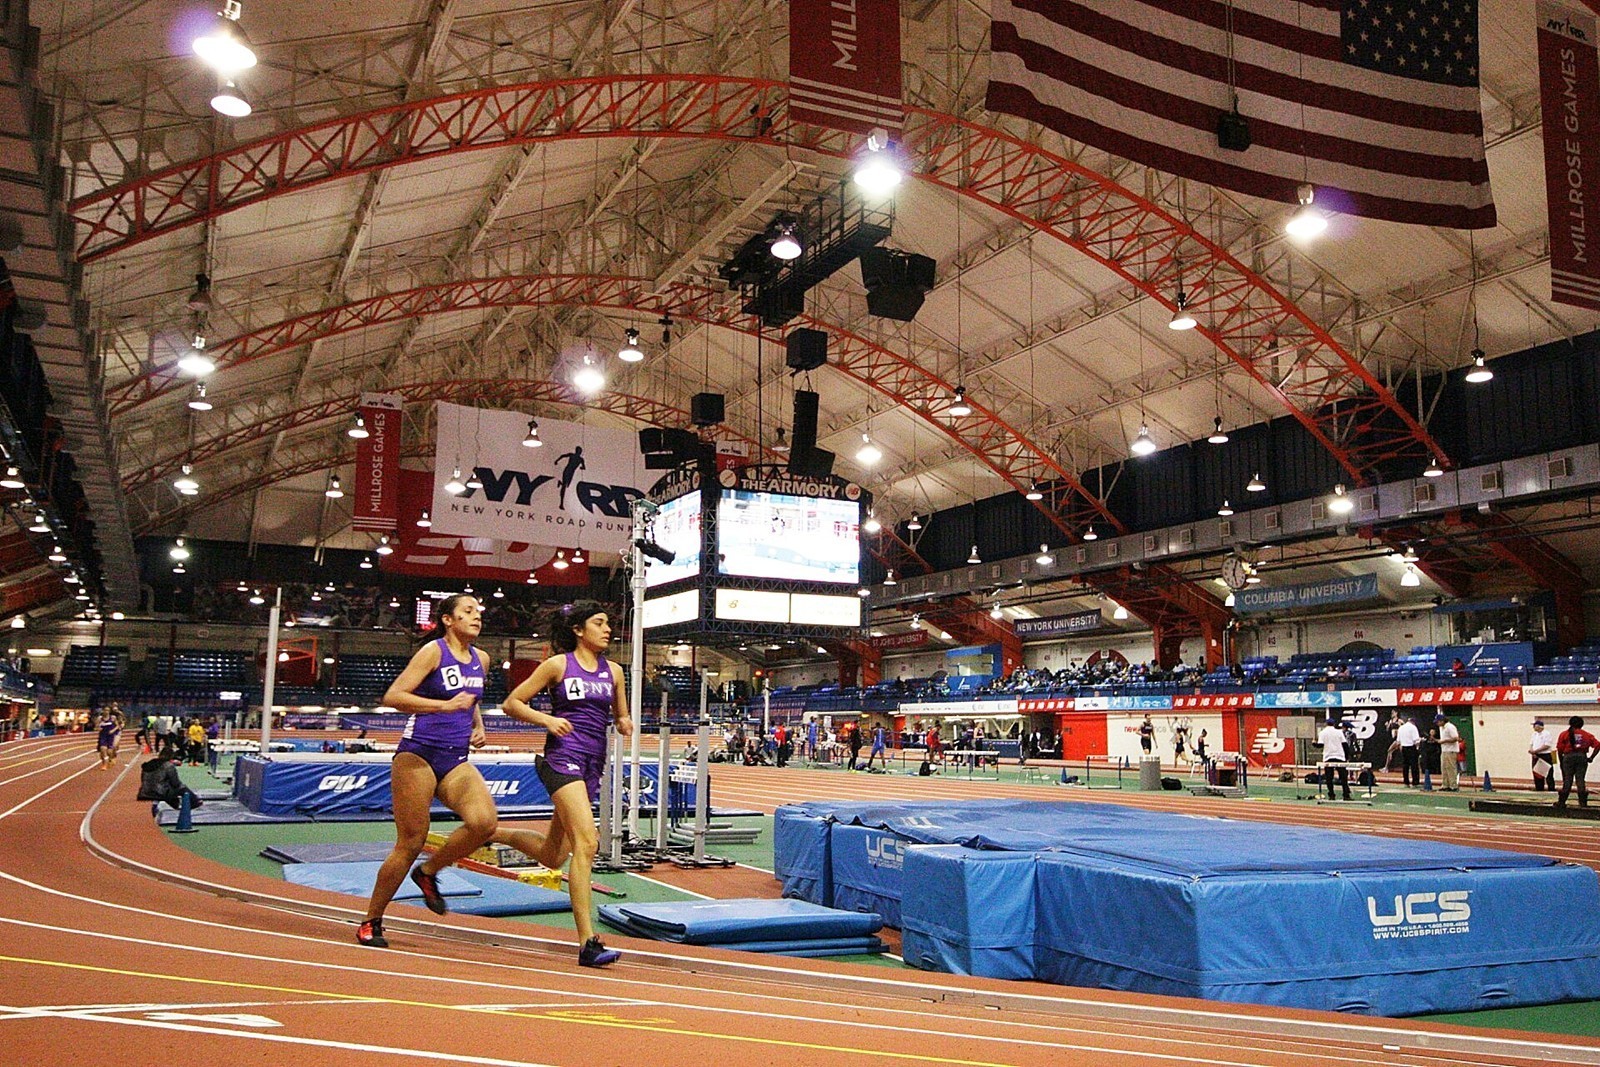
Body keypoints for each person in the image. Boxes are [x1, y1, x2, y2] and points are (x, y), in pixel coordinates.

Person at [492, 600, 632, 967]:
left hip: (592, 763)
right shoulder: (558, 665)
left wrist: (624, 722)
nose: (607, 629)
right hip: (561, 758)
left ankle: (490, 833)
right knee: (588, 842)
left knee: (553, 855)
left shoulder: (615, 672)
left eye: (608, 623)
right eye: (599, 623)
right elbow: (512, 703)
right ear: (578, 630)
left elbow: (621, 713)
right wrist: (547, 721)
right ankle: (588, 943)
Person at [357, 594, 495, 951]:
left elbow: (471, 699)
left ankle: (428, 872)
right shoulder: (433, 652)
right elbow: (394, 696)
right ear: (448, 620)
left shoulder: (481, 658)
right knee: (411, 841)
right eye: (467, 612)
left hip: (455, 757)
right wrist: (443, 706)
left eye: (478, 612)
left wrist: (478, 724)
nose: (476, 617)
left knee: (484, 823)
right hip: (418, 754)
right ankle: (372, 919)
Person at [136, 745, 204, 811]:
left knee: (167, 787)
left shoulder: (149, 763)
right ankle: (195, 802)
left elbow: (143, 779)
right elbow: (175, 783)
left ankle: (176, 804)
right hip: (159, 792)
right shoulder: (168, 765)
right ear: (171, 756)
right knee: (181, 788)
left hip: (145, 791)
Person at [1554, 715, 1600, 810]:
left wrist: (1561, 761)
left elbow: (1559, 749)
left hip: (1568, 757)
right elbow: (1598, 745)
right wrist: (1591, 757)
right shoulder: (1587, 735)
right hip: (1582, 757)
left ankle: (1562, 802)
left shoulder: (1564, 734)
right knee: (1580, 780)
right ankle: (1583, 803)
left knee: (1567, 780)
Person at [1316, 715, 1352, 801]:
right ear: (1334, 724)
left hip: (1328, 757)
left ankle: (1331, 795)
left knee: (1329, 777)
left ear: (1326, 724)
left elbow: (1320, 745)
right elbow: (1345, 745)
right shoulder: (1339, 732)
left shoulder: (1322, 733)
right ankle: (1346, 795)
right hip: (1339, 756)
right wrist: (1347, 757)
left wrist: (1314, 743)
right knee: (1343, 777)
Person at [1529, 718, 1558, 791]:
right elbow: (1531, 744)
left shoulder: (1546, 734)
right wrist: (1532, 751)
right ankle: (1539, 788)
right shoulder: (1534, 734)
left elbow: (1547, 745)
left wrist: (1536, 751)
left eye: (1535, 726)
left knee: (1548, 773)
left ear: (1540, 726)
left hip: (1545, 755)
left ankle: (1551, 788)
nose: (1534, 727)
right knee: (1537, 773)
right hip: (1536, 755)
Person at [1436, 713, 1461, 791]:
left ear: (1442, 721)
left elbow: (1456, 738)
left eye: (1438, 722)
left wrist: (1444, 741)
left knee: (1450, 768)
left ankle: (1453, 785)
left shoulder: (1450, 727)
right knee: (1444, 768)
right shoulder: (1442, 728)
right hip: (1445, 750)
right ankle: (1445, 785)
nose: (1437, 724)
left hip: (1451, 750)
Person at [1396, 714, 1422, 787]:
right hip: (1411, 748)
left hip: (1404, 748)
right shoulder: (1413, 728)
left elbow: (1398, 741)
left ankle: (1406, 782)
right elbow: (1416, 740)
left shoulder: (1401, 728)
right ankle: (1415, 783)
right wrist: (1418, 746)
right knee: (1414, 766)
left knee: (1405, 766)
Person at [96, 705, 123, 769]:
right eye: (105, 710)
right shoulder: (100, 718)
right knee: (102, 749)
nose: (106, 712)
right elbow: (96, 726)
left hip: (111, 736)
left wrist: (112, 730)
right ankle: (104, 764)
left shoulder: (113, 718)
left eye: (108, 710)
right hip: (103, 736)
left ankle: (111, 758)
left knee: (109, 751)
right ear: (103, 711)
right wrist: (98, 728)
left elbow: (117, 726)